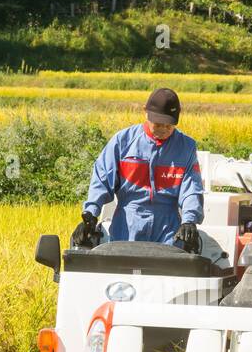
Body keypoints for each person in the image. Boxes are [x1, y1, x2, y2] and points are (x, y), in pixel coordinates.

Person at [71, 88, 204, 253]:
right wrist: (90, 213)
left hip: (168, 228)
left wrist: (189, 220)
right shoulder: (123, 141)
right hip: (127, 224)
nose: (163, 130)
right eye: (158, 124)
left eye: (168, 126)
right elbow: (102, 179)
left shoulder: (186, 147)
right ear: (145, 113)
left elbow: (192, 188)